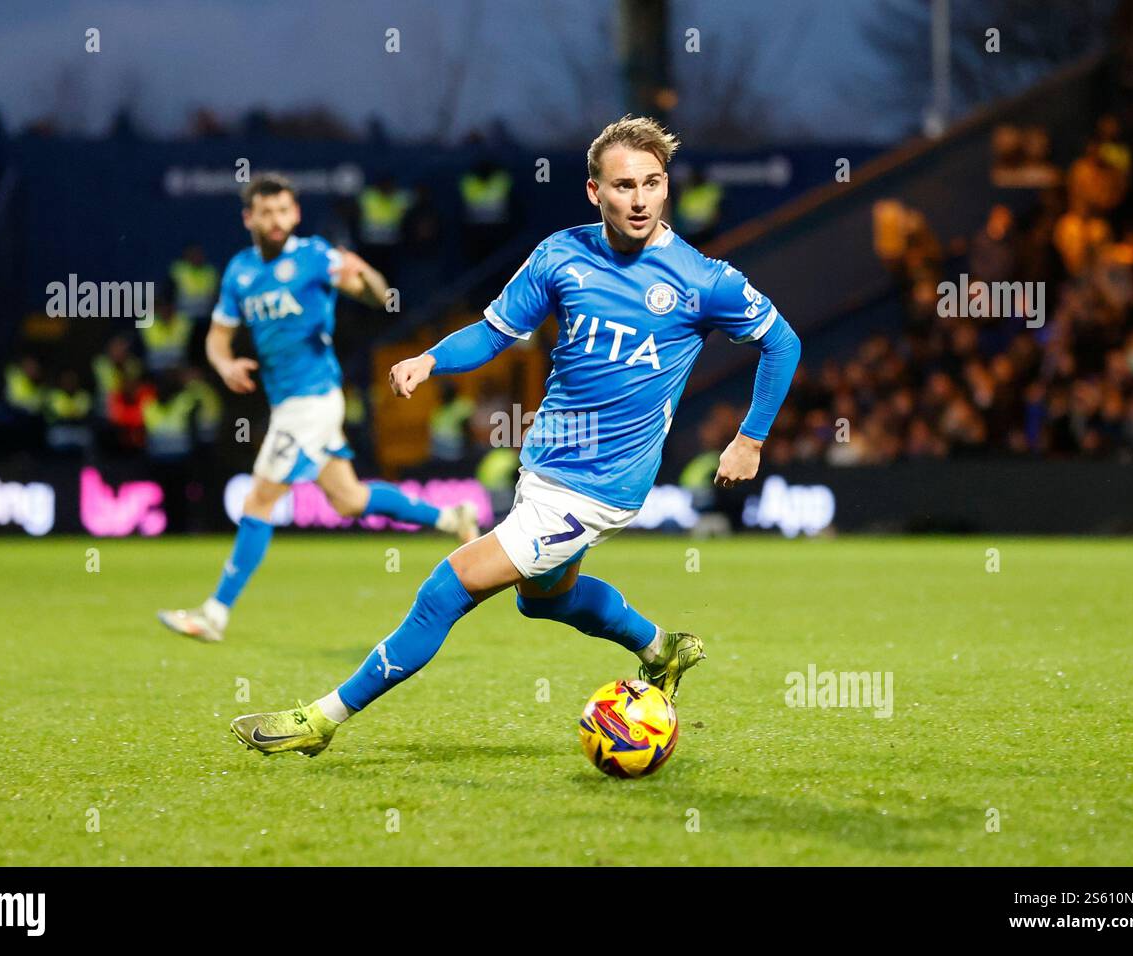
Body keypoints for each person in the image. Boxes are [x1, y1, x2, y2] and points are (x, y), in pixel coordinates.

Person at [229, 117, 801, 757]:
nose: (639, 200)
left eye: (652, 183)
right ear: (594, 191)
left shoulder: (703, 280)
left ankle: (320, 720)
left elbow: (783, 340)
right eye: (623, 186)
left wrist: (750, 438)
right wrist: (429, 361)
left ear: (667, 187)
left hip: (600, 485)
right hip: (547, 466)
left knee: (447, 588)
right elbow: (495, 331)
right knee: (545, 602)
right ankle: (661, 648)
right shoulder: (562, 254)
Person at [158, 173, 479, 644]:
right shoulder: (239, 272)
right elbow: (217, 337)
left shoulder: (314, 256)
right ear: (249, 218)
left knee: (258, 500)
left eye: (284, 210)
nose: (276, 220)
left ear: (296, 214)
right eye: (266, 212)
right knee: (348, 500)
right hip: (289, 401)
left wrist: (365, 273)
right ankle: (453, 518)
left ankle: (214, 613)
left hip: (313, 400)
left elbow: (377, 294)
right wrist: (224, 364)